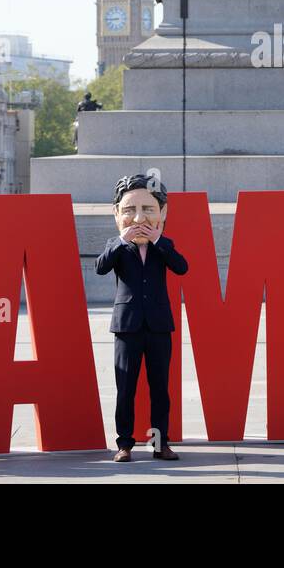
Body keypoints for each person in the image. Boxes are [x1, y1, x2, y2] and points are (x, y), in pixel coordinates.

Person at [96, 174, 189, 463]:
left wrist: (157, 240)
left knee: (160, 388)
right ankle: (124, 444)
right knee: (126, 388)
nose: (139, 218)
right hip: (127, 327)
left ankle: (161, 444)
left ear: (162, 213)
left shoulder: (164, 244)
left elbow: (182, 267)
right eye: (130, 210)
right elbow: (100, 267)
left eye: (147, 210)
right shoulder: (118, 245)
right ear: (117, 214)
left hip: (159, 326)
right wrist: (122, 240)